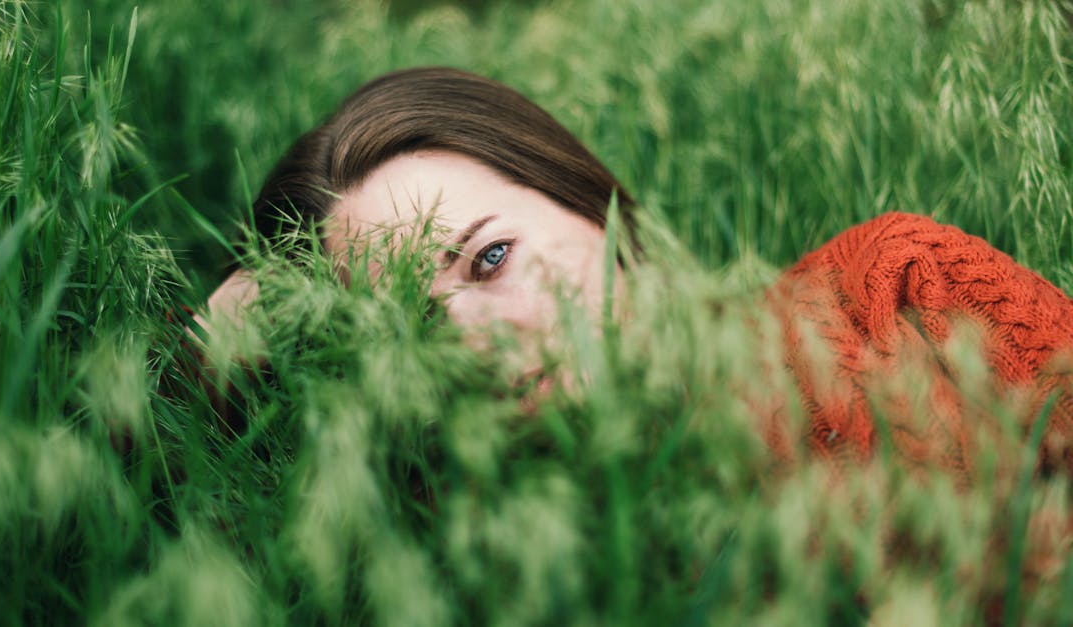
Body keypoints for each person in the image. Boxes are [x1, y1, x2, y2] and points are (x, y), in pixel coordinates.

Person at [195, 66, 1073, 478]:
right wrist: (215, 359)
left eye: (490, 258)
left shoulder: (890, 286)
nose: (472, 340)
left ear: (587, 204)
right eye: (410, 326)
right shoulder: (497, 565)